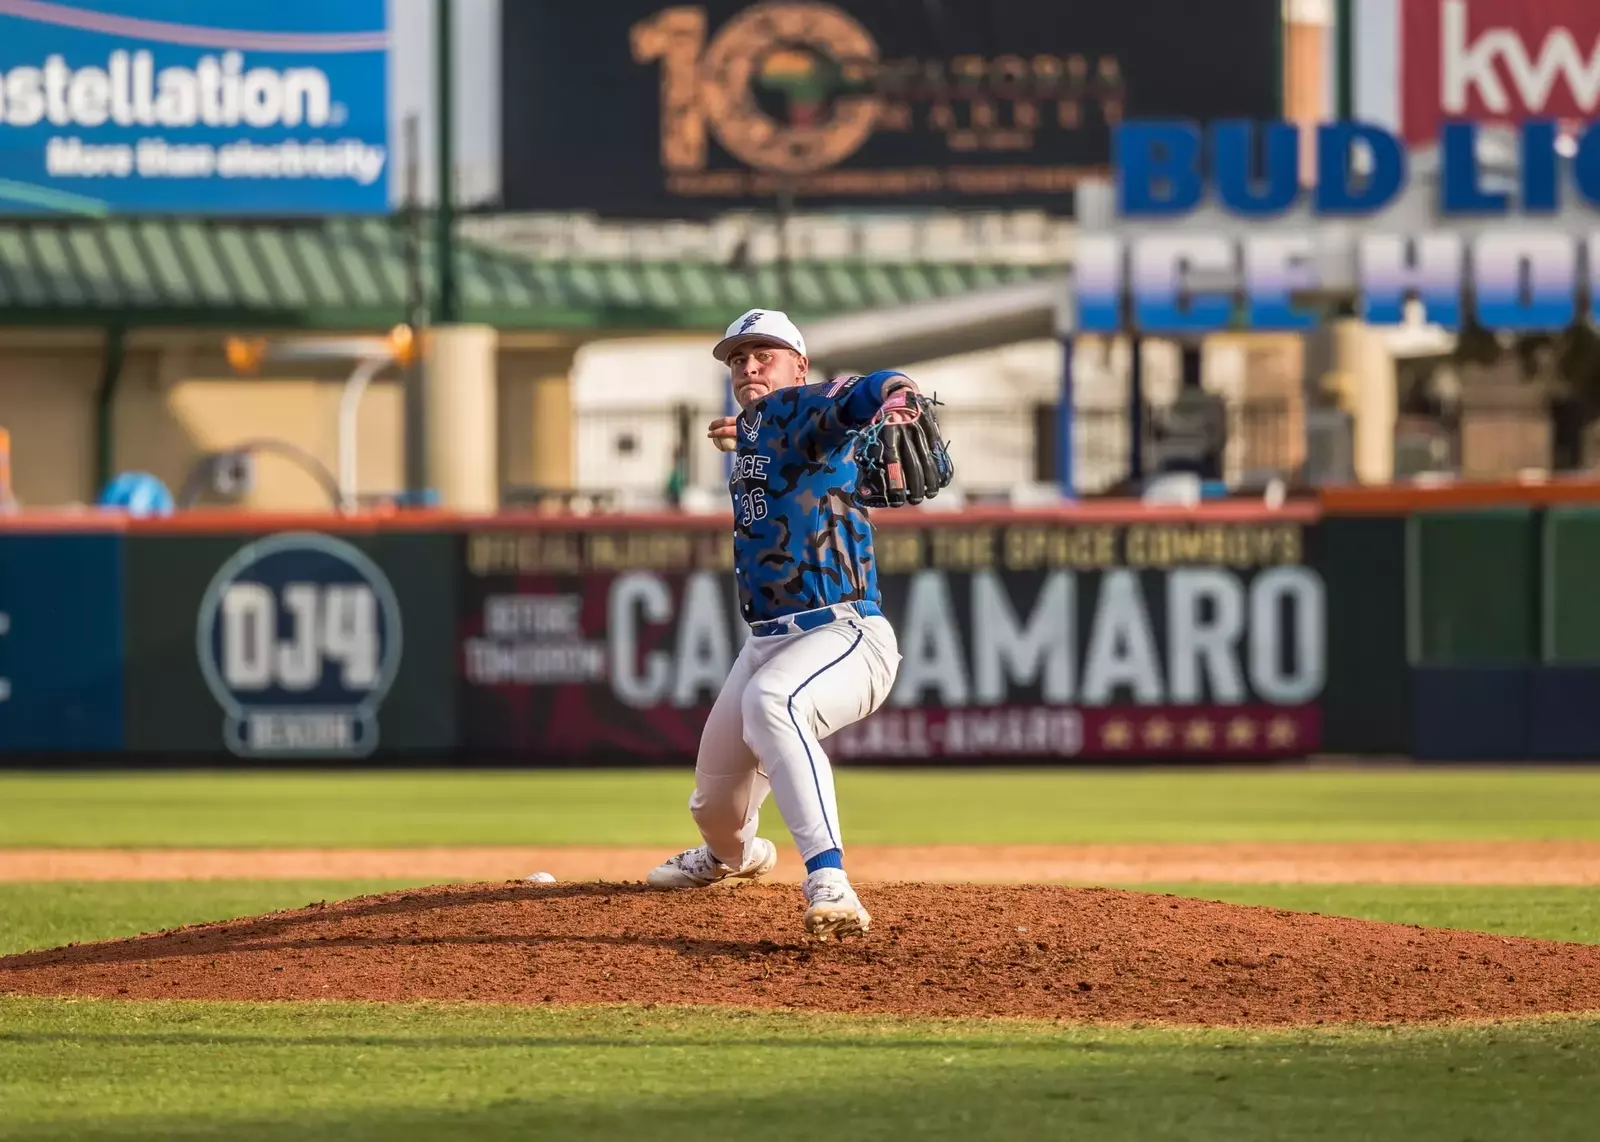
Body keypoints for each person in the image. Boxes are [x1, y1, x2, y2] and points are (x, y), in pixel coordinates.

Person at [646, 308, 923, 938]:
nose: (748, 366)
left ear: (798, 364)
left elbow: (861, 390)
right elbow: (772, 442)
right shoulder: (762, 426)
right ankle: (736, 858)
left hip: (844, 634)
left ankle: (829, 879)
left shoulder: (800, 406)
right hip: (767, 641)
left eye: (763, 354)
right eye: (738, 359)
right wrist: (739, 434)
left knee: (776, 703)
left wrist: (896, 390)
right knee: (715, 809)